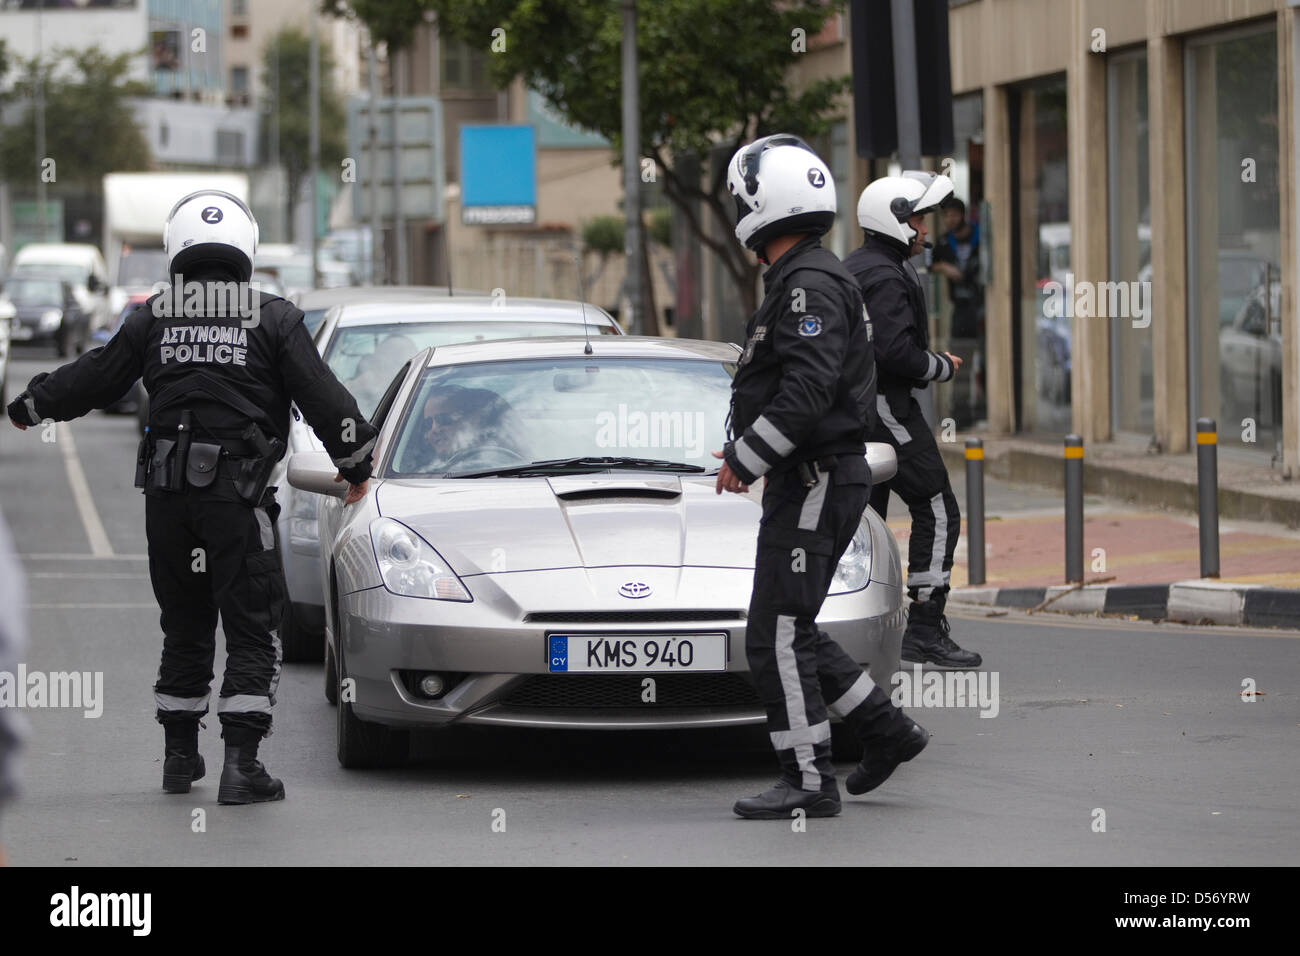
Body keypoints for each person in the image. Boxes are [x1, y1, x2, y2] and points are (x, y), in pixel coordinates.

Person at [6, 189, 378, 805]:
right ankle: (241, 767)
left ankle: (180, 758)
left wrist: (33, 403)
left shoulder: (154, 314)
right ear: (246, 251)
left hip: (168, 505)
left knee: (184, 624)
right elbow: (325, 398)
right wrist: (357, 460)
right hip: (239, 504)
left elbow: (97, 376)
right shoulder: (275, 317)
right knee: (252, 627)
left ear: (178, 248)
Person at [717, 134, 929, 820]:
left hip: (813, 479)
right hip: (816, 478)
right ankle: (887, 731)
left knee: (774, 633)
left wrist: (745, 457)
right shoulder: (809, 277)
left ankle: (808, 778)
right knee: (792, 625)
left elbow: (807, 394)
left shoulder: (808, 286)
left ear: (761, 205)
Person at [844, 172, 983, 668]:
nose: (925, 228)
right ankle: (923, 628)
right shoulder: (884, 274)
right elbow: (894, 352)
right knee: (940, 509)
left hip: (862, 411)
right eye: (917, 218)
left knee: (866, 521)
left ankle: (859, 625)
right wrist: (940, 365)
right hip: (886, 410)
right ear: (895, 219)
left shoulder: (865, 265)